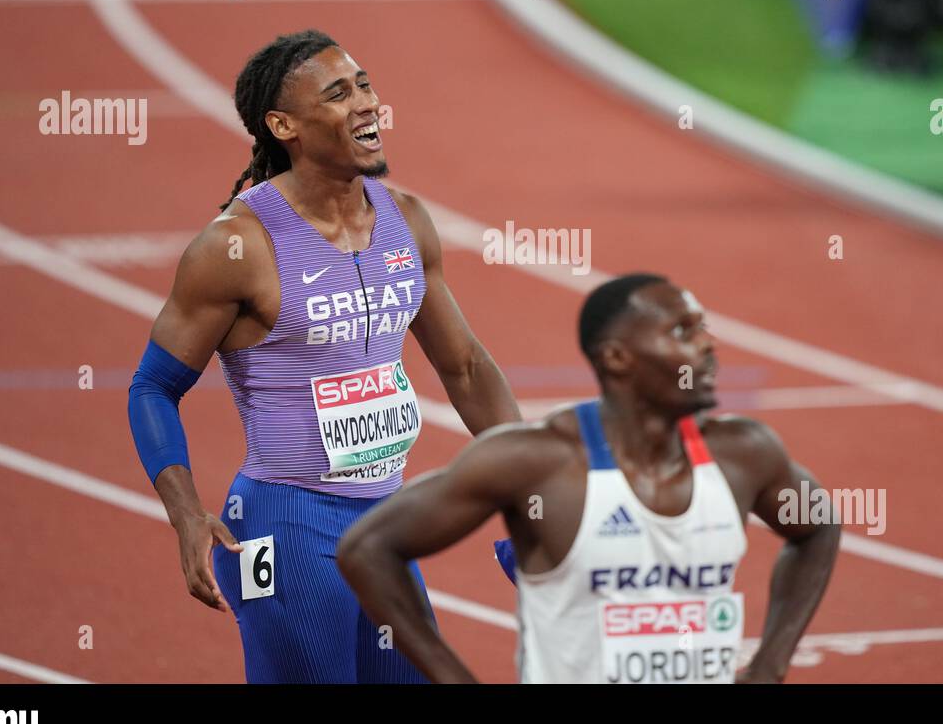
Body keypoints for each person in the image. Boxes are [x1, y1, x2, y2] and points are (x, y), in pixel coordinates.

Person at [127, 30, 520, 682]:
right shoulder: (238, 248)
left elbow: (467, 368)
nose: (365, 103)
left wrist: (534, 478)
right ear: (285, 126)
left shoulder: (406, 220)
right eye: (338, 94)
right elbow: (152, 387)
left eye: (364, 84)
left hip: (386, 526)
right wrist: (185, 513)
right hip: (285, 528)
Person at [338, 273, 840, 683]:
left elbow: (818, 526)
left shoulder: (744, 454)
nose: (707, 348)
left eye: (703, 329)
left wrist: (770, 664)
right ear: (617, 357)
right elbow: (368, 549)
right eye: (683, 332)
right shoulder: (539, 462)